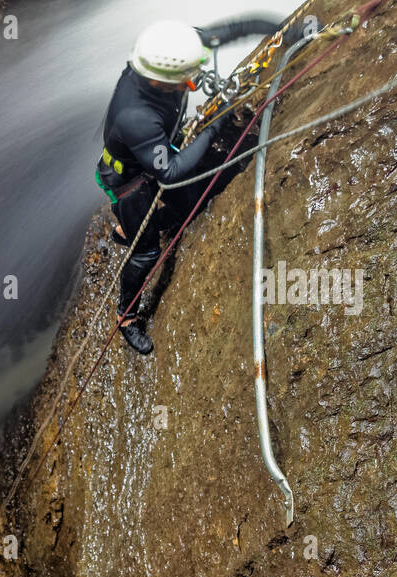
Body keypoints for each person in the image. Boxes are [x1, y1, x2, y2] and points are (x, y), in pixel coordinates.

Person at [96, 17, 289, 354]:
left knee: (190, 204)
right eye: (186, 80)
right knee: (147, 253)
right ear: (161, 81)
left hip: (154, 150)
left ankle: (127, 231)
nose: (192, 81)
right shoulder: (136, 115)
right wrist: (215, 128)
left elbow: (238, 29)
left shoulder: (174, 48)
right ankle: (125, 317)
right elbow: (169, 173)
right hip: (129, 182)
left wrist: (289, 29)